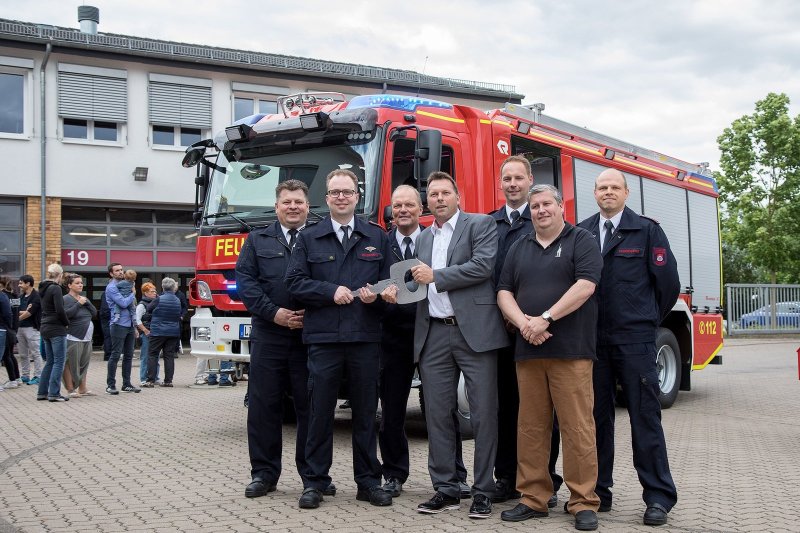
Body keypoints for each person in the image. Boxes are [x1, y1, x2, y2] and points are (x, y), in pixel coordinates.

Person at [285, 169, 394, 509]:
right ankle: (315, 482)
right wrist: (329, 291)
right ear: (327, 198)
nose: (342, 197)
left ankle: (368, 482)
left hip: (364, 338)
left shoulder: (376, 236)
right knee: (320, 413)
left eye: (347, 192)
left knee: (366, 414)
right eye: (335, 192)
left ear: (357, 197)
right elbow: (294, 283)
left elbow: (391, 284)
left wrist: (380, 297)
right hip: (324, 339)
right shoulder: (309, 237)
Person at [577, 168, 680, 527]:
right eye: (602, 187)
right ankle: (598, 492)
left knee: (644, 418)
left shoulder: (647, 231)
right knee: (595, 420)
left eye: (614, 187)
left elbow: (667, 285)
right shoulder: (583, 232)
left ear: (626, 193)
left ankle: (658, 497)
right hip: (593, 341)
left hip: (635, 340)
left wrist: (645, 320)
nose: (608, 192)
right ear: (594, 193)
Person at [497, 184, 602, 531]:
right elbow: (503, 292)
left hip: (571, 350)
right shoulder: (519, 246)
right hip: (528, 350)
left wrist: (545, 318)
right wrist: (524, 323)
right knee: (530, 428)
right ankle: (533, 498)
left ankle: (583, 501)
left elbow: (585, 286)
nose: (541, 210)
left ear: (561, 207)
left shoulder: (581, 240)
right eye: (535, 206)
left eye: (547, 204)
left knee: (577, 427)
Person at [410, 171, 508, 519]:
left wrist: (436, 276)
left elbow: (482, 267)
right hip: (434, 334)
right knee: (437, 415)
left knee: (483, 415)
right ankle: (446, 489)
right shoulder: (423, 237)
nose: (438, 199)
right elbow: (418, 285)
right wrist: (397, 292)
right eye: (433, 194)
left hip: (475, 332)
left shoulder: (480, 225)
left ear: (457, 197)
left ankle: (483, 491)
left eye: (445, 193)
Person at [236, 179, 325, 499]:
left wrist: (312, 313)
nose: (293, 207)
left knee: (311, 409)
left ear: (308, 206)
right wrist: (274, 313)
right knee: (264, 407)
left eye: (299, 201)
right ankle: (264, 474)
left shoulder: (320, 238)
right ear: (276, 207)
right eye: (287, 202)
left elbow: (330, 281)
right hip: (269, 335)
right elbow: (246, 283)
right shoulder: (257, 239)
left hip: (309, 337)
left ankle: (312, 477)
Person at [489, 155, 563, 508]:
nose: (513, 184)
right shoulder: (488, 224)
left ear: (530, 180)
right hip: (501, 332)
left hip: (540, 331)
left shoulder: (544, 221)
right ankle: (506, 477)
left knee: (545, 411)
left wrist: (532, 321)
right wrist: (510, 319)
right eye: (507, 178)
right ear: (500, 183)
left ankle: (546, 478)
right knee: (506, 407)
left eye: (519, 177)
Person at [104, 263, 141, 394]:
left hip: (129, 324)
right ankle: (110, 385)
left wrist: (135, 327)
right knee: (115, 355)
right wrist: (133, 293)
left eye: (121, 270)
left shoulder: (127, 284)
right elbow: (123, 303)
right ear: (111, 273)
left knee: (129, 356)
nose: (120, 272)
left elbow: (132, 306)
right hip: (118, 324)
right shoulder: (111, 287)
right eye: (117, 270)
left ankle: (126, 384)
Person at [36, 263, 71, 402]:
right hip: (56, 328)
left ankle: (42, 392)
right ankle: (54, 393)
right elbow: (60, 309)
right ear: (60, 275)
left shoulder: (42, 287)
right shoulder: (55, 288)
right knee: (59, 361)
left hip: (45, 326)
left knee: (50, 361)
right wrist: (66, 322)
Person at [141, 277, 182, 388]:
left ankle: (150, 380)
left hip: (158, 331)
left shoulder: (159, 299)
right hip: (173, 331)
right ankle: (168, 381)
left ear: (163, 287)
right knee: (169, 356)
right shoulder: (177, 300)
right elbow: (178, 313)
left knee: (153, 354)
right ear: (173, 288)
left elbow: (149, 309)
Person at [62, 273, 97, 397]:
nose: (80, 285)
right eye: (77, 283)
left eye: (81, 283)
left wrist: (86, 303)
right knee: (70, 364)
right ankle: (70, 389)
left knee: (84, 364)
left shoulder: (83, 298)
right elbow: (66, 315)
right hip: (74, 336)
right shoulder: (66, 299)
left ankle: (82, 388)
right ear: (69, 285)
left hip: (87, 338)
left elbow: (94, 313)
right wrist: (79, 304)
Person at [17, 274, 43, 384]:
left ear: (28, 283)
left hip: (32, 328)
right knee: (23, 354)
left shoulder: (36, 296)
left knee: (35, 353)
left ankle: (38, 376)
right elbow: (17, 310)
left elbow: (30, 313)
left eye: (21, 283)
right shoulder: (21, 297)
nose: (19, 285)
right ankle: (25, 375)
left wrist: (17, 319)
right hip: (20, 328)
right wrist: (25, 311)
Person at [136, 283, 159, 385]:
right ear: (145, 293)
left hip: (156, 333)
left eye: (155, 291)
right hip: (147, 334)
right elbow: (137, 319)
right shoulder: (141, 305)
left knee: (155, 356)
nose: (154, 293)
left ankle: (155, 377)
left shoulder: (157, 302)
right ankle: (143, 378)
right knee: (145, 356)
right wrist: (145, 330)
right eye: (152, 291)